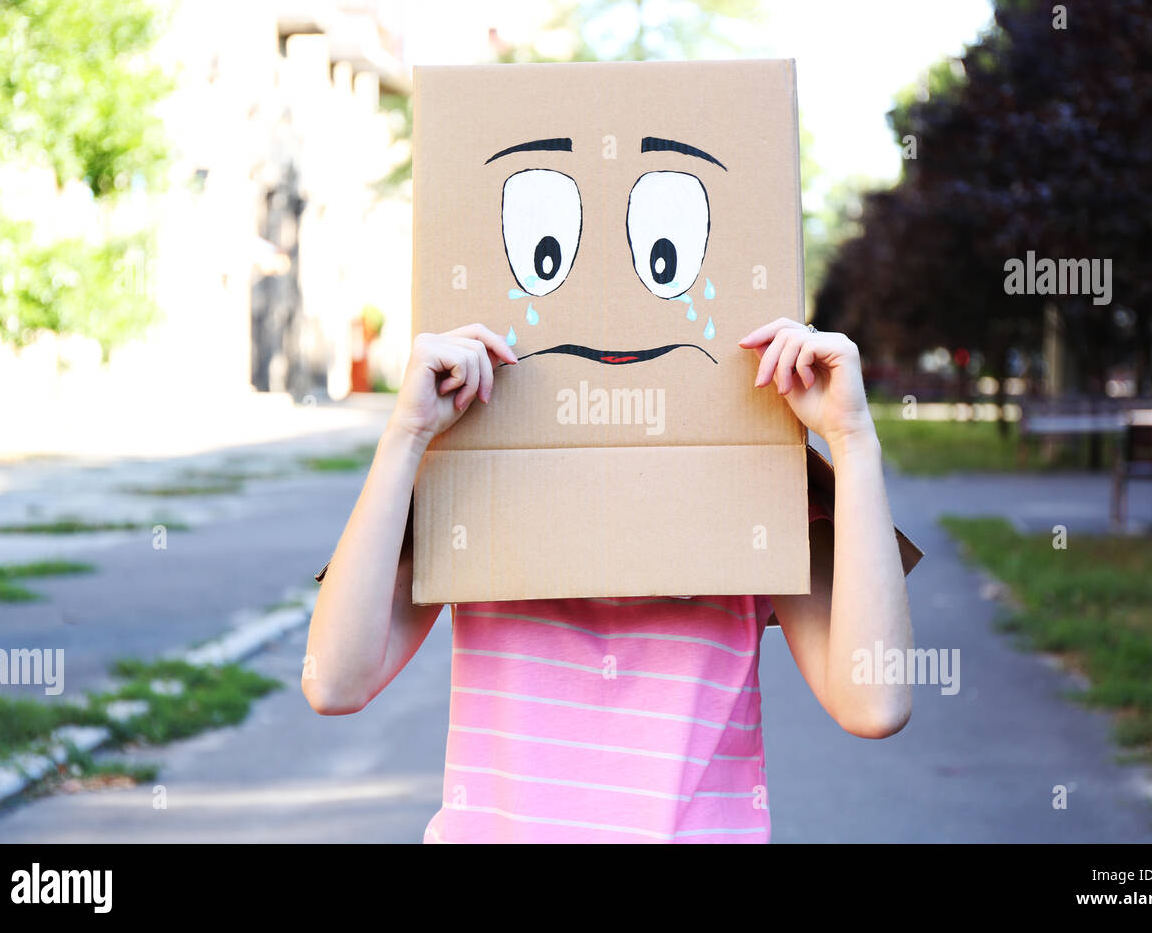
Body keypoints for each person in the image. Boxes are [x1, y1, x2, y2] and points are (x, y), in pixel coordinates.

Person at [302, 318, 914, 843]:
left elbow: (875, 701)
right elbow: (333, 683)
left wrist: (852, 440)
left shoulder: (758, 491)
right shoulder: (475, 481)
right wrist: (406, 436)